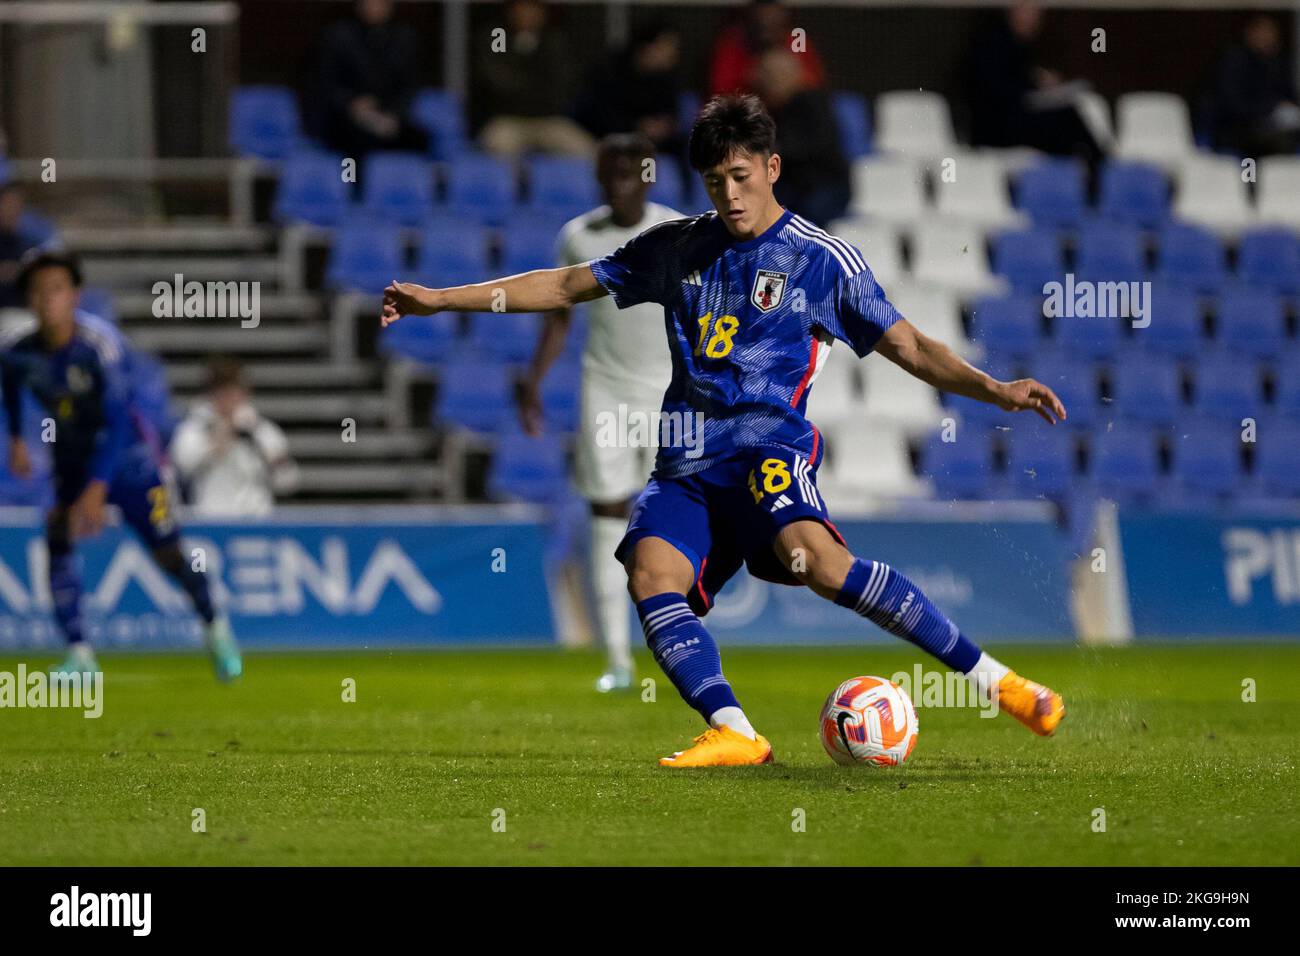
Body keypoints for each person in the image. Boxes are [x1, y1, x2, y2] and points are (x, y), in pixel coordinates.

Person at [382, 94, 1067, 767]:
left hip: (766, 450)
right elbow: (565, 286)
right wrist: (440, 298)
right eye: (716, 182)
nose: (730, 195)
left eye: (741, 177)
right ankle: (735, 730)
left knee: (822, 565)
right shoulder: (678, 248)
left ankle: (999, 683)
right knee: (651, 575)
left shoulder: (821, 259)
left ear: (771, 168)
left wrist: (994, 389)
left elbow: (910, 347)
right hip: (685, 464)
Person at [0, 252, 242, 680]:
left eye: (56, 289)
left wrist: (96, 489)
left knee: (169, 554)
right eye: (37, 291)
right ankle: (80, 656)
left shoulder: (100, 348)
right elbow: (9, 383)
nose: (46, 299)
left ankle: (214, 624)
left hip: (131, 464)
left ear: (74, 296)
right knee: (58, 539)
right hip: (72, 463)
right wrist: (18, 438)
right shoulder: (20, 353)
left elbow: (117, 423)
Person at [517, 134, 684, 693]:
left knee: (678, 511)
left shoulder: (677, 232)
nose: (620, 181)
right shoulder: (578, 237)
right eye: (609, 172)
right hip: (605, 390)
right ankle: (617, 657)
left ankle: (682, 647)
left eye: (630, 171)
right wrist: (535, 380)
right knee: (608, 512)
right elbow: (559, 311)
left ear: (649, 175)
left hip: (669, 391)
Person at [965, 0, 1102, 165]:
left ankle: (1092, 168)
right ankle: (1101, 166)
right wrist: (1036, 85)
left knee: (1065, 116)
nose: (1035, 22)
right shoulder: (993, 45)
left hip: (1013, 119)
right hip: (994, 128)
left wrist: (1038, 82)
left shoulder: (1018, 47)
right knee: (1063, 119)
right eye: (1030, 15)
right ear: (1015, 13)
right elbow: (1000, 94)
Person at [170, 358, 298, 517]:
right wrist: (218, 439)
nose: (230, 400)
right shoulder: (194, 429)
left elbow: (288, 482)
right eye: (223, 393)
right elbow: (182, 466)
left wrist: (259, 440)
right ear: (212, 395)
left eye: (236, 392)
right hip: (211, 521)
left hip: (258, 521)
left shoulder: (261, 429)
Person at [473, 0, 595, 158]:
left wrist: (528, 86)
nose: (526, 14)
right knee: (496, 148)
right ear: (510, 11)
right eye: (521, 8)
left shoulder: (554, 40)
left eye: (532, 9)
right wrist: (535, 85)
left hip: (549, 120)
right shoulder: (498, 36)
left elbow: (562, 84)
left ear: (542, 13)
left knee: (586, 150)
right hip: (508, 119)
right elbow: (498, 82)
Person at [314, 0, 429, 161]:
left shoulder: (404, 38)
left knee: (419, 139)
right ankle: (351, 181)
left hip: (388, 115)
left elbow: (409, 86)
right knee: (353, 142)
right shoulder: (339, 36)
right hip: (347, 118)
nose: (374, 7)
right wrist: (351, 103)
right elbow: (326, 83)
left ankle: (399, 183)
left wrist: (393, 114)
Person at [754, 48, 849, 227]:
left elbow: (819, 143)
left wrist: (779, 149)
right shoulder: (774, 109)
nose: (766, 83)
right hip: (797, 187)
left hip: (825, 186)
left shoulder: (812, 103)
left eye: (771, 77)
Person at [1205, 14, 1300, 158]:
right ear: (1250, 33)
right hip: (1235, 130)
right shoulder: (1234, 61)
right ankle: (1254, 179)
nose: (1268, 37)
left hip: (1272, 127)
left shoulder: (1278, 63)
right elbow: (1232, 104)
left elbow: (1288, 95)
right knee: (1278, 142)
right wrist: (1270, 110)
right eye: (1263, 32)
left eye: (1271, 33)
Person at [709, 0, 826, 97]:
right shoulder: (734, 41)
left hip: (791, 108)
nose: (767, 26)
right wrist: (754, 79)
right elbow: (720, 89)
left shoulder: (796, 39)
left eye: (774, 20)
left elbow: (815, 82)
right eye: (762, 22)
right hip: (750, 108)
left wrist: (789, 79)